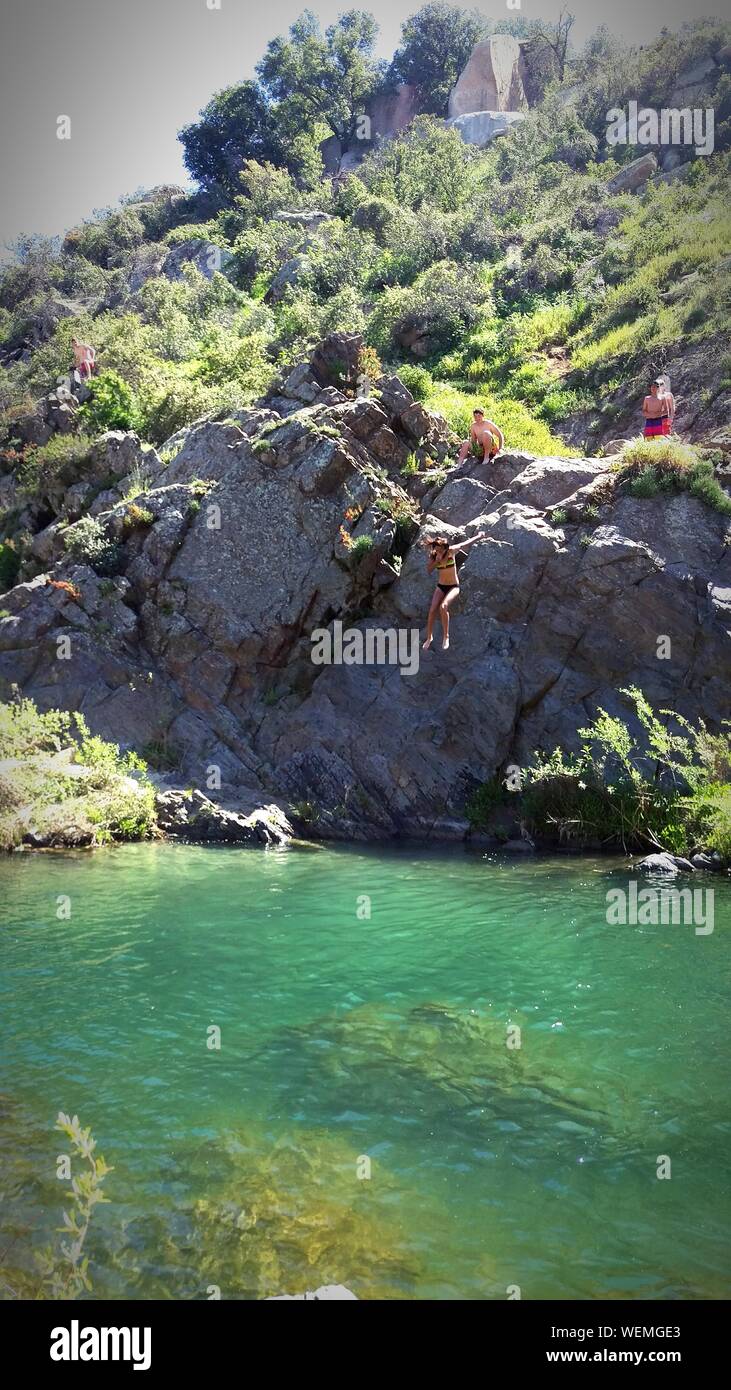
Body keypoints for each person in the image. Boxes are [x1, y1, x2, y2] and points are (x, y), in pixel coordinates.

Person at [422, 531, 487, 652]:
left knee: (443, 606)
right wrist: (437, 561)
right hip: (441, 586)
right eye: (436, 549)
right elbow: (429, 570)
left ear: (444, 548)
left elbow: (465, 543)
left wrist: (479, 536)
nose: (438, 551)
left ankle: (446, 636)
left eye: (440, 550)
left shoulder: (451, 551)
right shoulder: (434, 556)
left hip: (453, 586)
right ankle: (429, 637)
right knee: (432, 610)